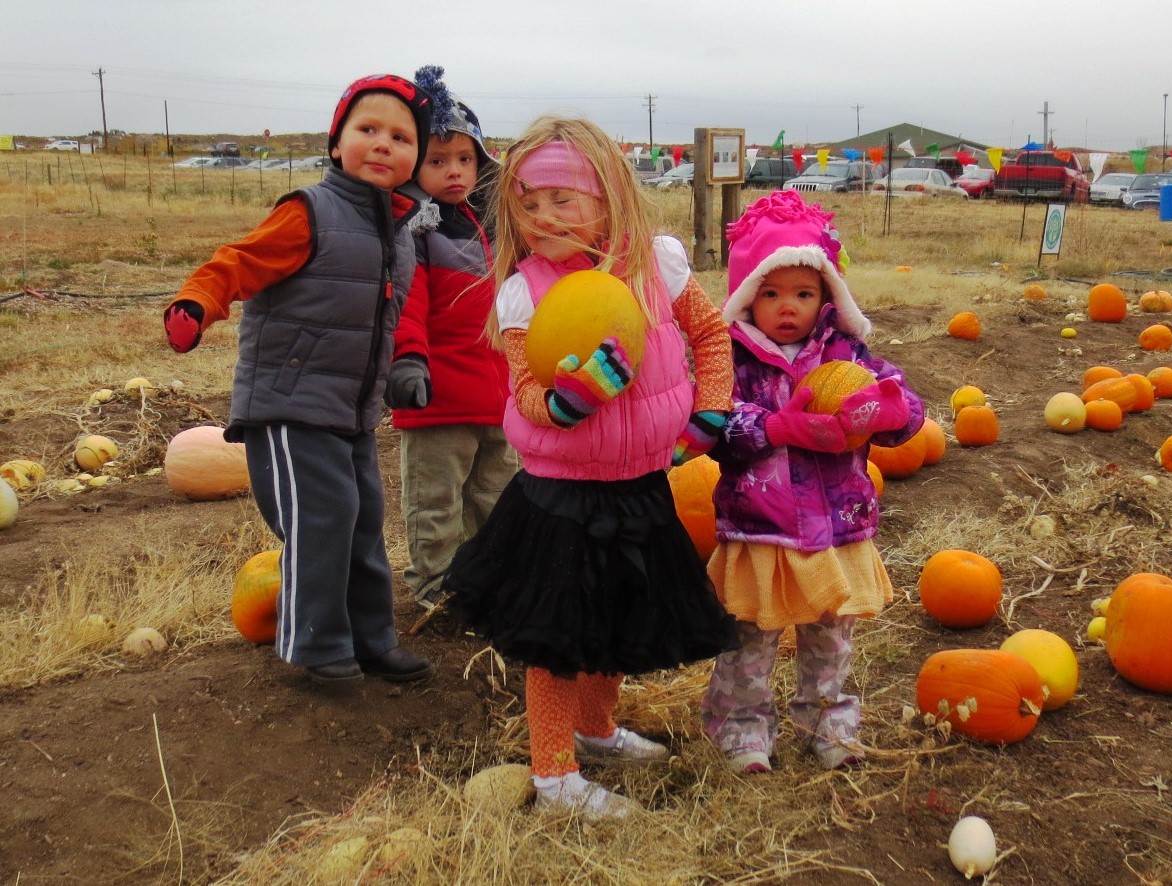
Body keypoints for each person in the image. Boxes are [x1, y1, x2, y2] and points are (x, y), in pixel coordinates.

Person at [443, 116, 739, 821]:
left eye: (560, 200)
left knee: (611, 618)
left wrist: (712, 408)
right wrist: (566, 404)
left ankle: (596, 729)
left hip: (639, 483)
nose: (541, 217)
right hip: (561, 498)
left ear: (607, 197)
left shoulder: (656, 267)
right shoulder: (525, 293)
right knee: (557, 639)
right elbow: (523, 394)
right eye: (527, 202)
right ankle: (554, 775)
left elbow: (709, 333)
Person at [162, 74, 436, 685]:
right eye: (368, 129)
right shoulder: (308, 211)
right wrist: (196, 304)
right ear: (337, 143)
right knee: (324, 517)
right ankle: (315, 643)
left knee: (364, 517)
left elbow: (398, 319)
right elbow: (236, 261)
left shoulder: (401, 237)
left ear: (416, 155)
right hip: (290, 404)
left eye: (400, 136)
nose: (383, 144)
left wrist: (407, 366)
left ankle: (372, 638)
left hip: (353, 409)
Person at [700, 189, 924, 773]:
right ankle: (742, 727)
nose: (787, 307)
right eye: (770, 293)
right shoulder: (734, 360)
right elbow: (713, 426)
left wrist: (889, 412)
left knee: (831, 638)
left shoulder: (847, 353)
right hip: (761, 528)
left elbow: (904, 408)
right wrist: (778, 426)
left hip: (836, 527)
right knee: (750, 638)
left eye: (803, 292)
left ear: (827, 294)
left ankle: (831, 720)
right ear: (747, 296)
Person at [384, 65, 517, 610]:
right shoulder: (415, 231)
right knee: (436, 503)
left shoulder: (499, 226)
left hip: (499, 395)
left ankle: (490, 582)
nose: (455, 172)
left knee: (498, 496)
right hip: (437, 397)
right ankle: (436, 590)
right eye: (438, 162)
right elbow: (405, 307)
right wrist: (408, 363)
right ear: (415, 165)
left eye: (466, 159)